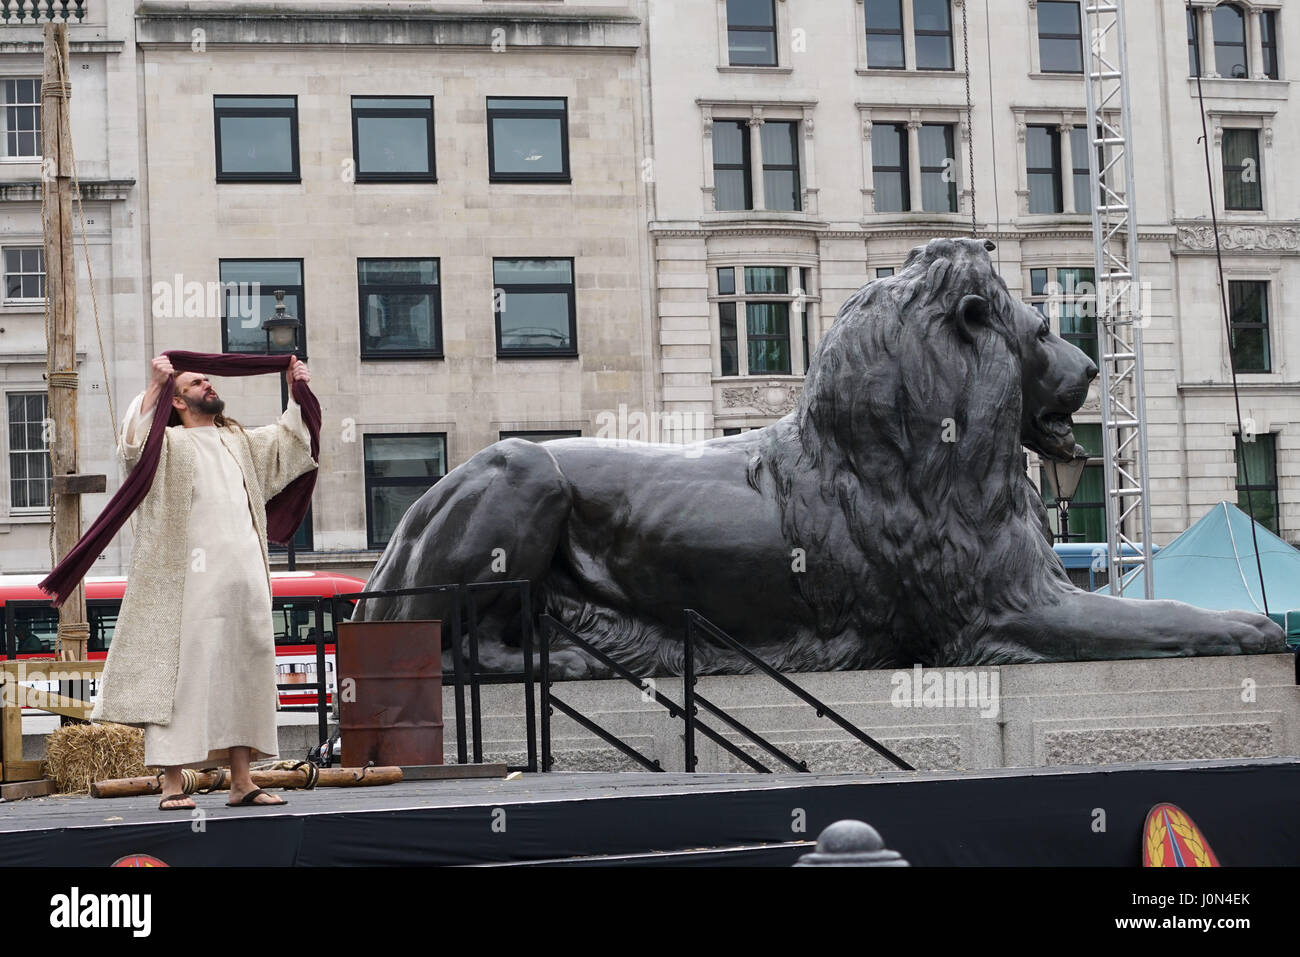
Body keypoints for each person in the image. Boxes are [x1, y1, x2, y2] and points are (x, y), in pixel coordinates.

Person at [89, 354, 319, 810]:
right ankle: (172, 786)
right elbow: (130, 449)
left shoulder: (236, 439)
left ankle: (242, 781)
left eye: (209, 380)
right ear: (177, 400)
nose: (209, 386)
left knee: (245, 674)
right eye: (198, 382)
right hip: (188, 585)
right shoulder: (167, 445)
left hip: (246, 579)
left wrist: (299, 393)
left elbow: (290, 444)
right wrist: (154, 384)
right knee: (184, 679)